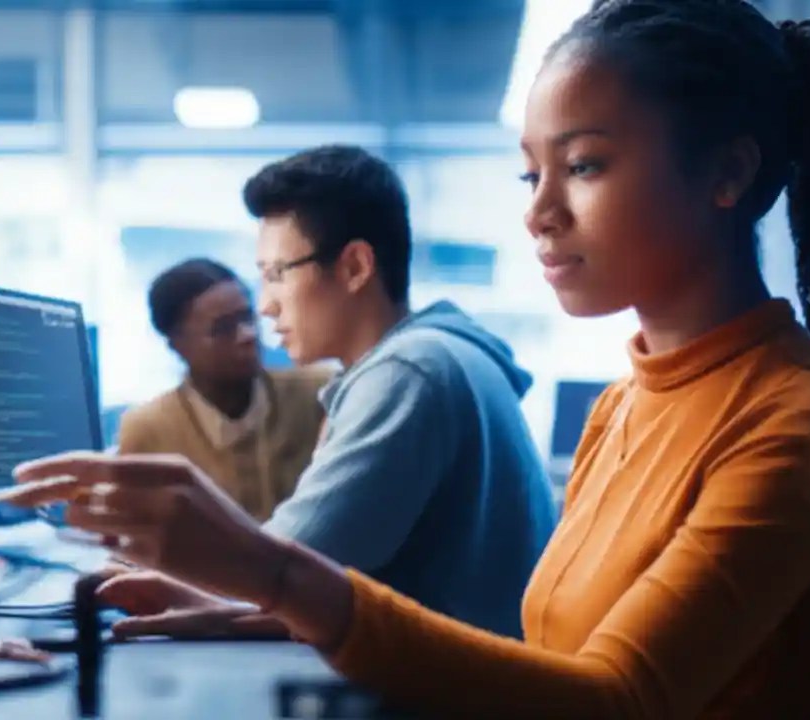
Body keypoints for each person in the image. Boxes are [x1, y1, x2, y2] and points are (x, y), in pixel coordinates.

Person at [6, 1, 810, 716]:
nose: (538, 212)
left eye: (586, 166)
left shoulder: (804, 423)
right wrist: (257, 616)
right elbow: (548, 661)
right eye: (532, 174)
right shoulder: (628, 401)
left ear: (727, 175)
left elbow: (620, 701)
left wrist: (275, 578)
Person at [46, 145, 558, 637]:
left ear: (355, 267)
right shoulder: (442, 354)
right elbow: (318, 587)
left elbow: (281, 568)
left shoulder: (409, 372)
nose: (265, 308)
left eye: (276, 275)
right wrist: (215, 609)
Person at [117, 258, 329, 521]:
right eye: (224, 328)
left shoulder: (319, 394)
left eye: (248, 318)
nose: (247, 335)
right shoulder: (148, 430)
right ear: (177, 345)